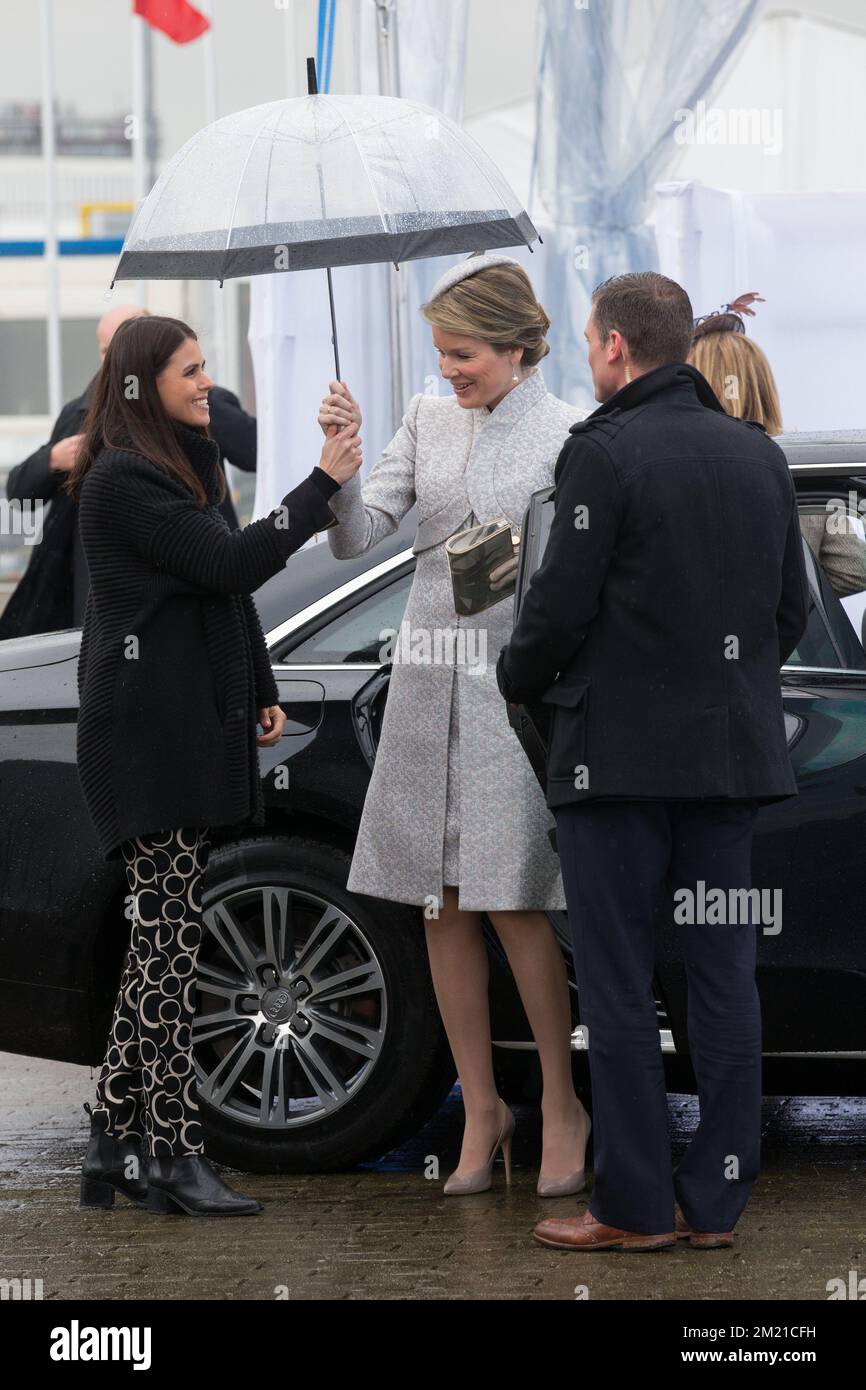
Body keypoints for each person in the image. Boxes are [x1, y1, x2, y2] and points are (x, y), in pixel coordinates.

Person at [497, 271, 810, 1251]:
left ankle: (631, 1208)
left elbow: (557, 608)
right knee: (722, 984)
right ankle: (711, 1206)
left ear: (615, 349)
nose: (589, 356)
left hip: (615, 772)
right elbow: (790, 612)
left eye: (591, 341)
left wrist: (519, 669)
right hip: (726, 770)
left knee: (622, 987)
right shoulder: (756, 457)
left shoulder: (603, 452)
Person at [68, 314, 361, 1217]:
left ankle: (114, 1145)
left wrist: (262, 681)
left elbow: (219, 589)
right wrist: (323, 482)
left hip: (180, 723)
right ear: (141, 384)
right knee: (168, 946)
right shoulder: (120, 480)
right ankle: (171, 1156)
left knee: (162, 944)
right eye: (190, 371)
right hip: (145, 734)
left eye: (205, 368)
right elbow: (233, 558)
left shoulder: (182, 464)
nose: (207, 384)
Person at [318, 252, 591, 1198]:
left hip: (511, 693)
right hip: (426, 688)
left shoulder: (569, 432)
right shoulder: (427, 419)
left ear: (518, 345)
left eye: (463, 353)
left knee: (515, 900)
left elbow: (583, 577)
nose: (448, 371)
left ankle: (561, 1102)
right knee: (439, 902)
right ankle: (483, 1108)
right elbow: (358, 537)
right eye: (440, 354)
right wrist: (339, 471)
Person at [0, 304, 258, 640]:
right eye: (107, 350)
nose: (116, 359)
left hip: (192, 585)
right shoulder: (81, 414)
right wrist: (52, 459)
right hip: (99, 594)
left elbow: (257, 452)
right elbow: (20, 495)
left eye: (124, 345)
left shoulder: (198, 401)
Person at [689, 298, 866, 598]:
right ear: (763, 384)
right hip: (771, 638)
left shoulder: (687, 464)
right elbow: (854, 568)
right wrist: (790, 594)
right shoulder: (796, 463)